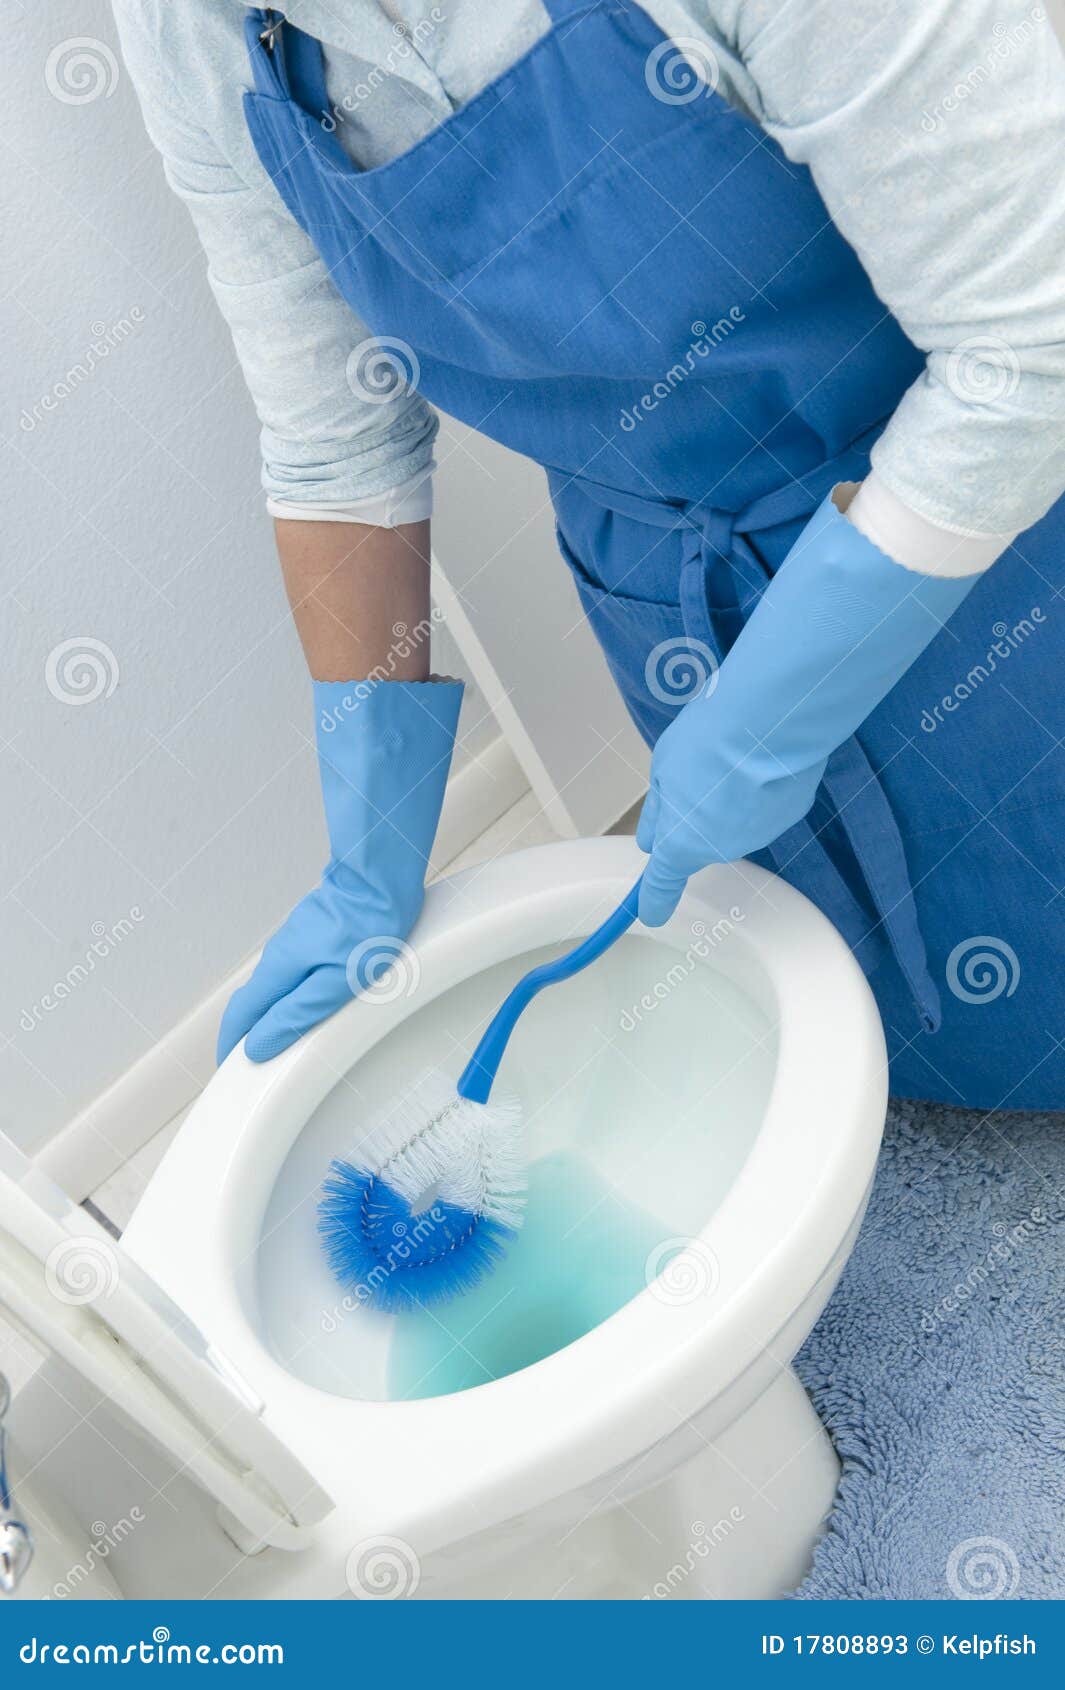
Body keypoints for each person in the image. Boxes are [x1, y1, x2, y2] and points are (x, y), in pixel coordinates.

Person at [112, 1, 1065, 1109]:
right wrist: (370, 858)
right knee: (865, 1028)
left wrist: (775, 713)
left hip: (986, 531)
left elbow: (1028, 347)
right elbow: (338, 443)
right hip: (670, 599)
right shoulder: (184, 27)